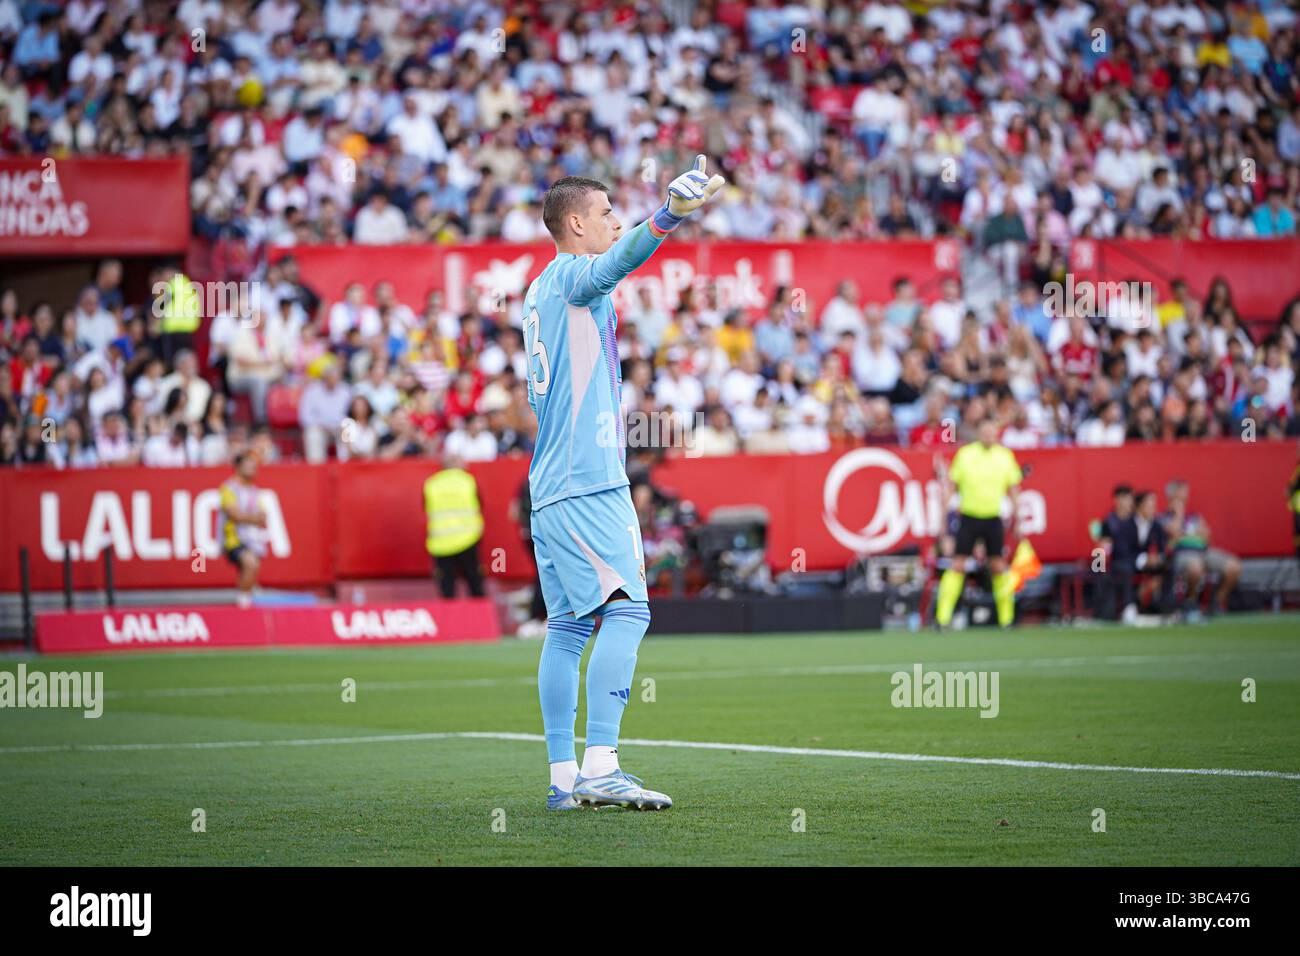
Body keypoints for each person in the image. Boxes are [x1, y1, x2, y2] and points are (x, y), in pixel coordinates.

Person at [526, 157, 724, 811]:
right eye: (608, 213)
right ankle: (602, 765)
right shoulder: (577, 276)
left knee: (567, 629)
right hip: (588, 480)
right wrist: (667, 216)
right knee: (630, 610)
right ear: (576, 224)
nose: (616, 222)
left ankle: (562, 781)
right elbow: (614, 266)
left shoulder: (538, 290)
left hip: (550, 484)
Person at [934, 418, 1023, 629]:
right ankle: (942, 618)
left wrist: (1018, 519)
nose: (988, 436)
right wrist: (943, 520)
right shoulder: (966, 455)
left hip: (993, 518)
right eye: (984, 432)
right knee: (957, 564)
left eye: (992, 432)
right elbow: (951, 488)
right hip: (969, 517)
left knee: (998, 566)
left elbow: (1013, 491)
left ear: (997, 433)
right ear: (978, 433)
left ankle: (1006, 619)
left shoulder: (1005, 456)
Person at [1163, 478, 1242, 619]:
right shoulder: (1163, 517)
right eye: (1182, 492)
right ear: (1172, 494)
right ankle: (1191, 600)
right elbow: (1174, 534)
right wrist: (1179, 514)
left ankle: (1216, 602)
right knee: (1195, 568)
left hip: (1203, 551)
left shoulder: (1194, 516)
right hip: (1182, 554)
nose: (1185, 495)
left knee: (1234, 566)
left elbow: (1206, 535)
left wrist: (1189, 533)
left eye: (1186, 492)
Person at [423, 452, 485, 599]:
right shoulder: (468, 481)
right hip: (468, 539)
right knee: (475, 584)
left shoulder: (431, 484)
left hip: (440, 544)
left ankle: (449, 620)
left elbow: (426, 508)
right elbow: (480, 505)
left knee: (447, 590)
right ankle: (480, 618)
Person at [219, 451, 268, 608]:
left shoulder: (254, 490)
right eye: (249, 465)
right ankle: (243, 604)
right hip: (233, 538)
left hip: (251, 538)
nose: (253, 469)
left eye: (255, 466)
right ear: (238, 467)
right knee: (250, 563)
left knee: (250, 570)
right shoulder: (229, 488)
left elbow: (262, 516)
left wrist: (250, 517)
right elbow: (234, 514)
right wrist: (253, 518)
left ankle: (246, 598)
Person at [509, 477, 547, 638]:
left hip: (529, 533)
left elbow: (513, 513)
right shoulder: (547, 480)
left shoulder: (526, 482)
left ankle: (537, 616)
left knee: (542, 574)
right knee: (546, 575)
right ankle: (541, 615)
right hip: (544, 534)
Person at [1095, 484, 1139, 621]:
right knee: (1102, 573)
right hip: (1116, 563)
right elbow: (1102, 548)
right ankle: (1109, 611)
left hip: (1136, 560)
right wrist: (1099, 567)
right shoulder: (1109, 522)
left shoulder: (1136, 521)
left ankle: (1130, 607)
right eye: (1125, 498)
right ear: (1117, 500)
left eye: (1130, 499)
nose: (1128, 502)